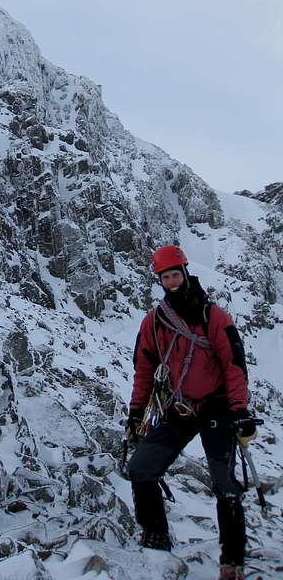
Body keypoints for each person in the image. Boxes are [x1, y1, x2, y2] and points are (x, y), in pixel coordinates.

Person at [126, 245, 257, 580]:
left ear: (185, 273)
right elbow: (144, 370)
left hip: (217, 408)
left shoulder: (214, 316)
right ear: (159, 280)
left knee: (225, 484)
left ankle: (232, 561)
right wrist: (137, 412)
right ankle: (156, 539)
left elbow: (234, 365)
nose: (171, 282)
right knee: (141, 468)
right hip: (178, 407)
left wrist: (239, 410)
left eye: (175, 275)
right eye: (165, 277)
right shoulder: (154, 321)